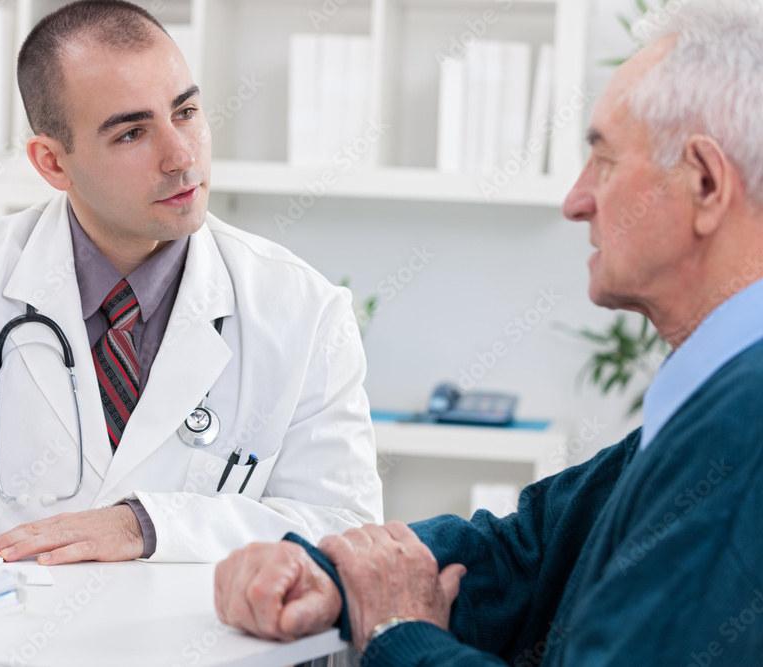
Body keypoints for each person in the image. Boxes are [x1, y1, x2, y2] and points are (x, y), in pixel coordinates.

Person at [214, 1, 763, 663]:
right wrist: (331, 574)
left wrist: (396, 633)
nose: (576, 199)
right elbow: (530, 551)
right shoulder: (713, 398)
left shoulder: (744, 428)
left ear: (704, 182)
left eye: (606, 161)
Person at [0, 0, 382, 564]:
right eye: (132, 132)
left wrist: (151, 526)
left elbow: (350, 534)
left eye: (187, 112)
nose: (181, 156)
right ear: (52, 162)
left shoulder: (304, 312)